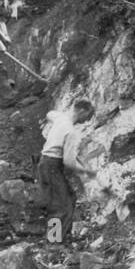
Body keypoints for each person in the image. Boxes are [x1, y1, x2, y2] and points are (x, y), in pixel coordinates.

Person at [38, 98, 96, 243]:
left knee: (70, 197)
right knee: (59, 206)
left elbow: (50, 114)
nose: (85, 121)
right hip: (52, 165)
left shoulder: (60, 118)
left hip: (44, 164)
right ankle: (54, 243)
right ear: (82, 111)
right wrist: (86, 172)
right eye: (86, 117)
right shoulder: (70, 131)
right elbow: (68, 162)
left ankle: (64, 236)